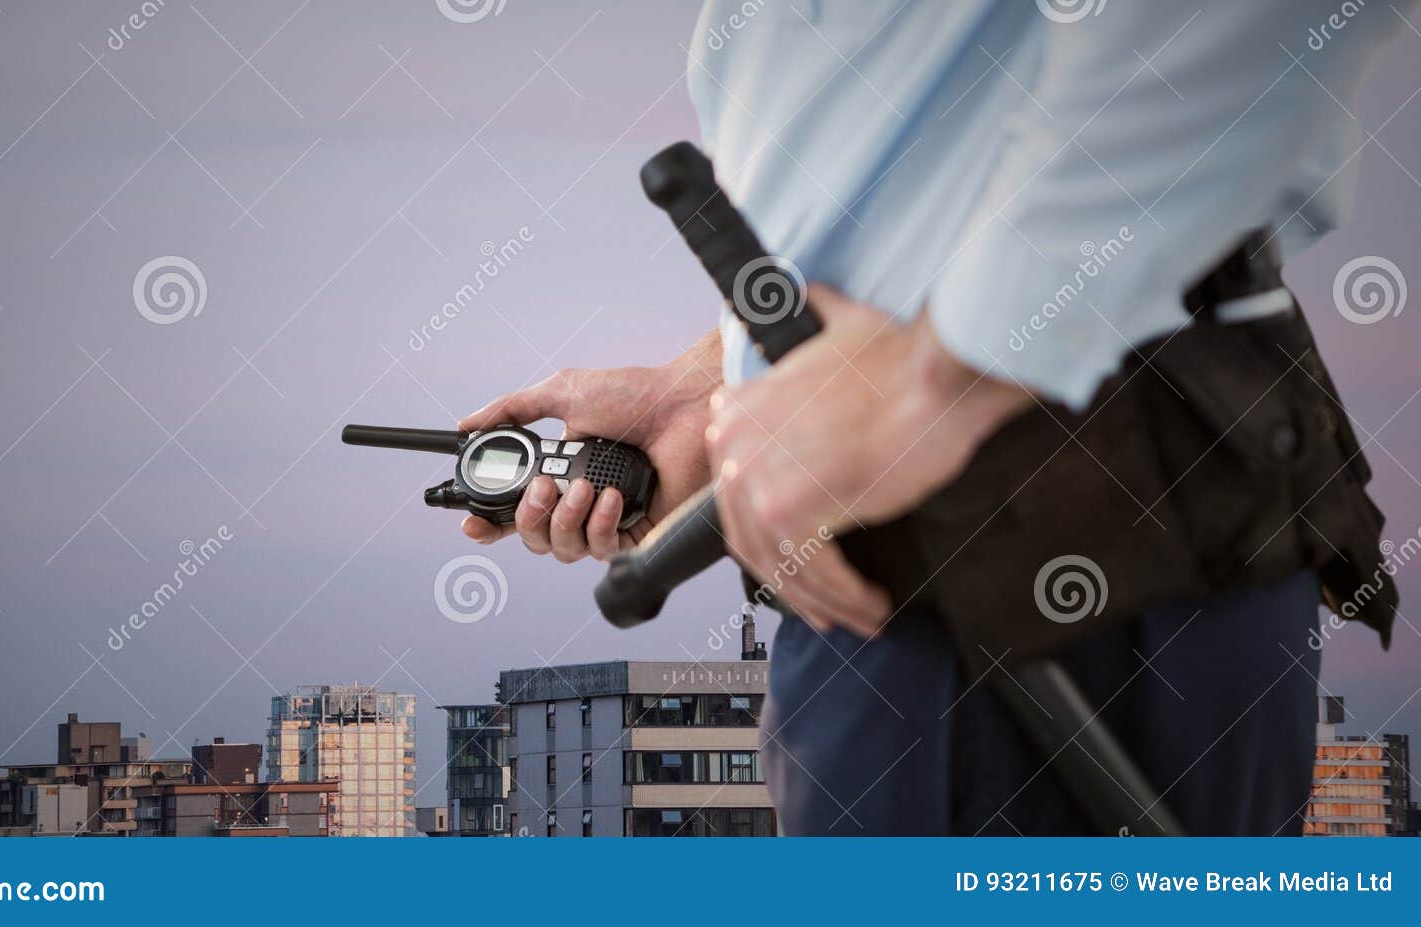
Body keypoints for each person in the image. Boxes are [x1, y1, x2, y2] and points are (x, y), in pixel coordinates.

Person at [458, 1, 1406, 834]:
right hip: (886, 562)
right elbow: (898, 169)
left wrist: (944, 379)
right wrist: (718, 385)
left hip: (1061, 528)